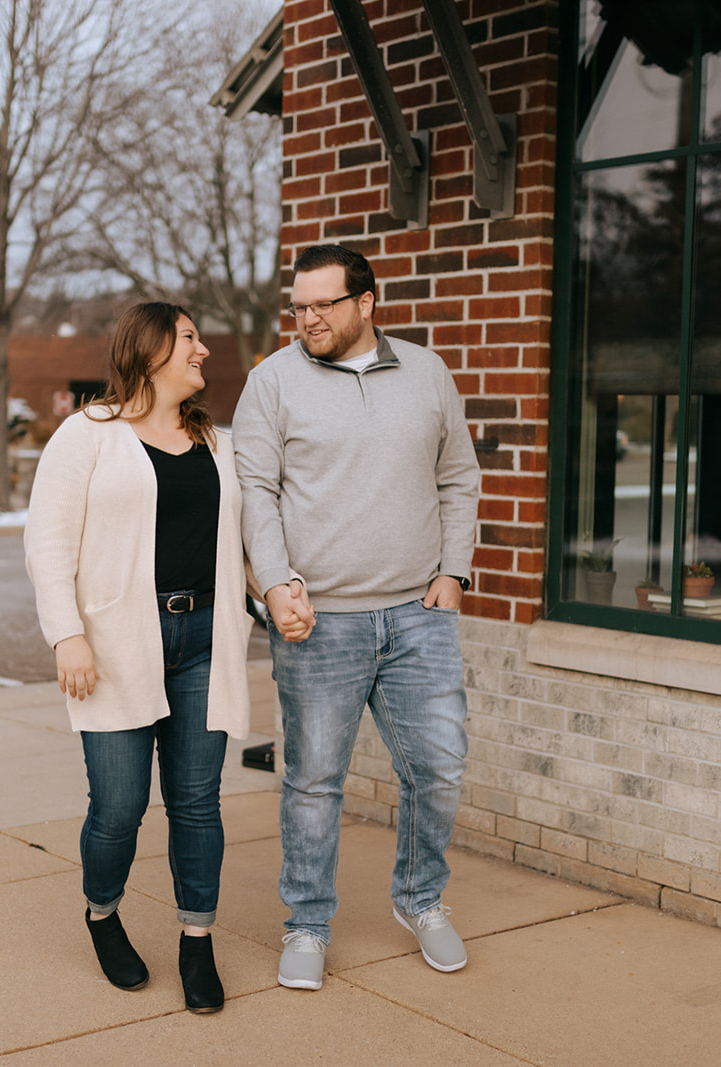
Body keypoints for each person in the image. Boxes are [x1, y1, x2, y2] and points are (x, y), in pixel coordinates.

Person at [25, 302, 306, 1013]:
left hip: (203, 641)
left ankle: (196, 939)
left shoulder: (218, 442)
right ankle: (102, 911)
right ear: (149, 350)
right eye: (188, 339)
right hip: (115, 647)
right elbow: (48, 543)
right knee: (118, 807)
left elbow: (243, 543)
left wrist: (279, 596)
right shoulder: (87, 435)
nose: (203, 350)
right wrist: (68, 636)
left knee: (196, 803)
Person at [232, 243, 481, 990]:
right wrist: (275, 587)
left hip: (418, 614)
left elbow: (459, 475)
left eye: (323, 305)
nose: (306, 318)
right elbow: (256, 493)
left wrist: (452, 571)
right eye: (298, 305)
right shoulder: (270, 382)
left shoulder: (428, 373)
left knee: (438, 766)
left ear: (366, 303)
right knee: (313, 782)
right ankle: (306, 922)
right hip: (320, 622)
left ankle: (420, 899)